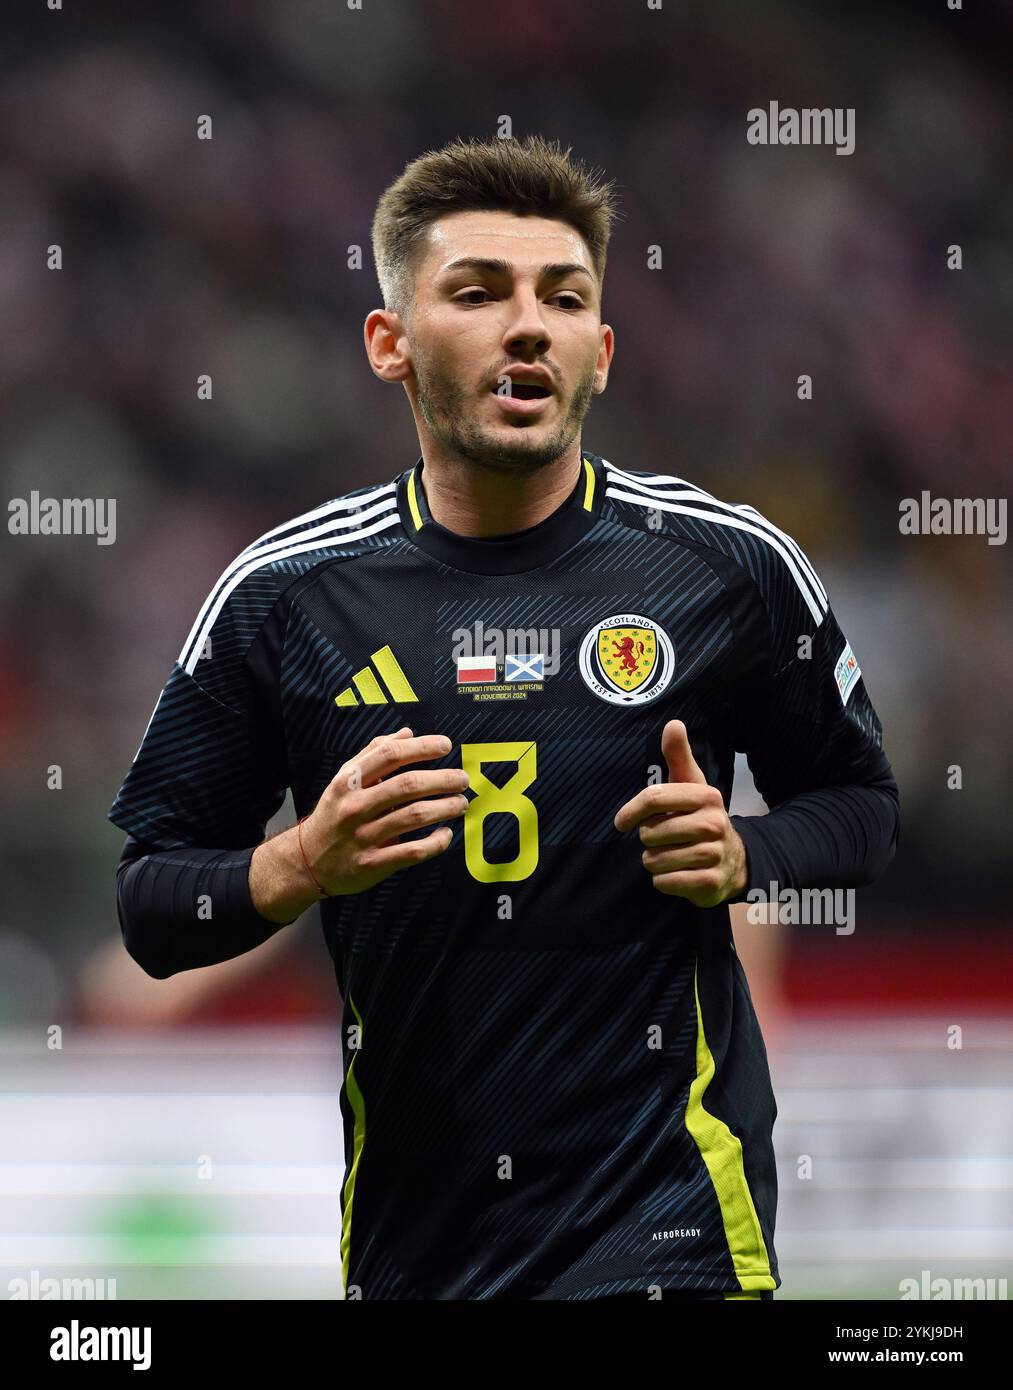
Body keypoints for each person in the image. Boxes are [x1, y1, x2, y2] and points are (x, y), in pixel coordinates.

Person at [108, 134, 900, 1301]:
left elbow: (864, 808)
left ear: (601, 352)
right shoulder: (285, 597)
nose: (526, 324)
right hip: (417, 1255)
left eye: (562, 297)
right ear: (390, 343)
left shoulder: (724, 569)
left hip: (672, 1231)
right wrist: (294, 863)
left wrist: (747, 852)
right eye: (476, 292)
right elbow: (150, 902)